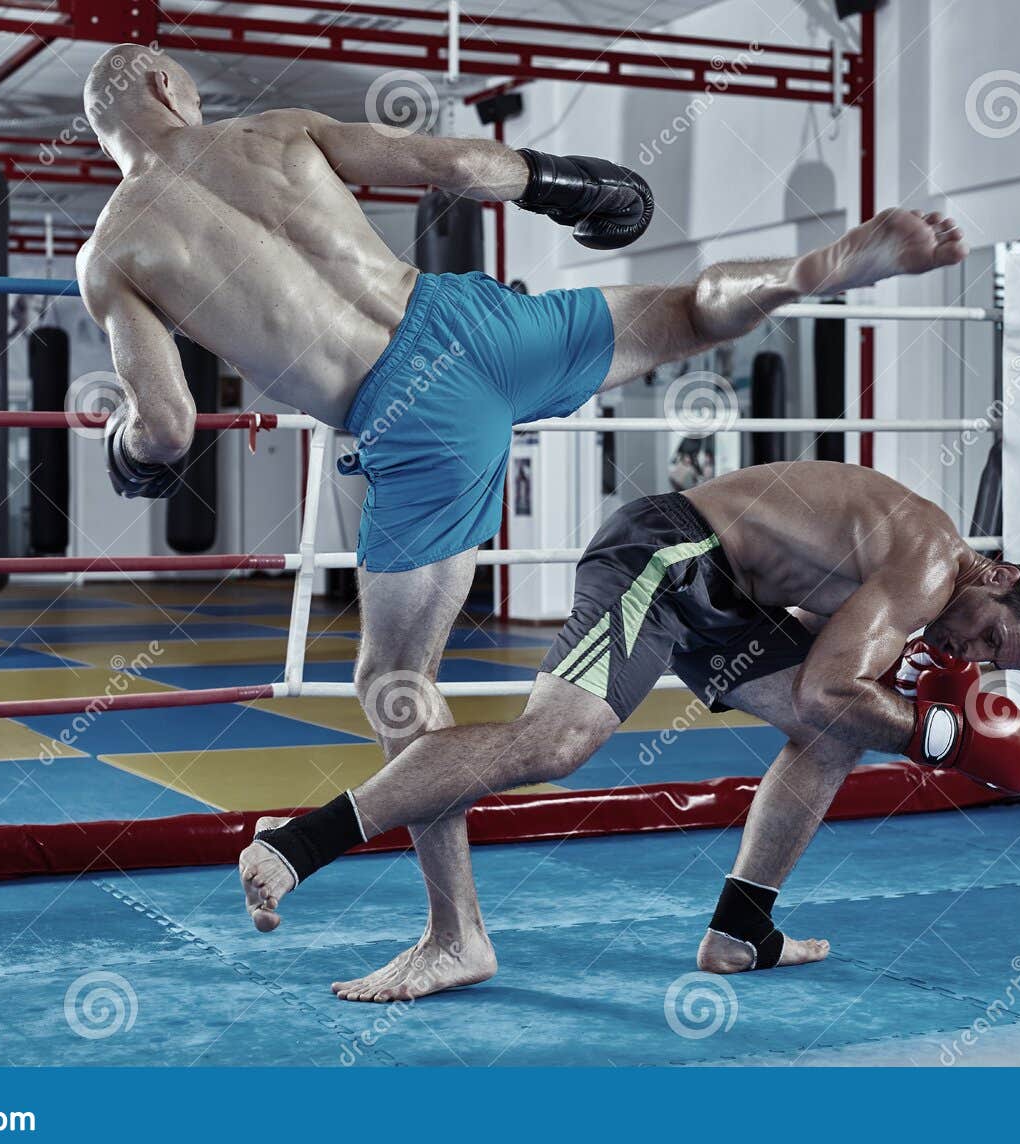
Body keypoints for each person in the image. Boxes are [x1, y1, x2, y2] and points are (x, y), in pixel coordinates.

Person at [75, 44, 969, 999]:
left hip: (412, 417)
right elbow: (462, 164)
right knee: (686, 312)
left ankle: (454, 933)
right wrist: (559, 183)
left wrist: (126, 449)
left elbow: (168, 428)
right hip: (473, 325)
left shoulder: (112, 252)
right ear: (166, 87)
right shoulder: (274, 132)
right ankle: (807, 271)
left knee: (393, 680)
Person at [239, 461, 1020, 1001]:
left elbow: (820, 660)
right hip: (668, 552)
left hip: (727, 594)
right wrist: (948, 740)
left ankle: (740, 929)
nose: (970, 655)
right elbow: (831, 684)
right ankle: (297, 841)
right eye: (989, 635)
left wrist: (898, 706)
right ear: (999, 575)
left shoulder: (923, 580)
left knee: (833, 735)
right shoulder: (931, 562)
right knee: (559, 742)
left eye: (989, 659)